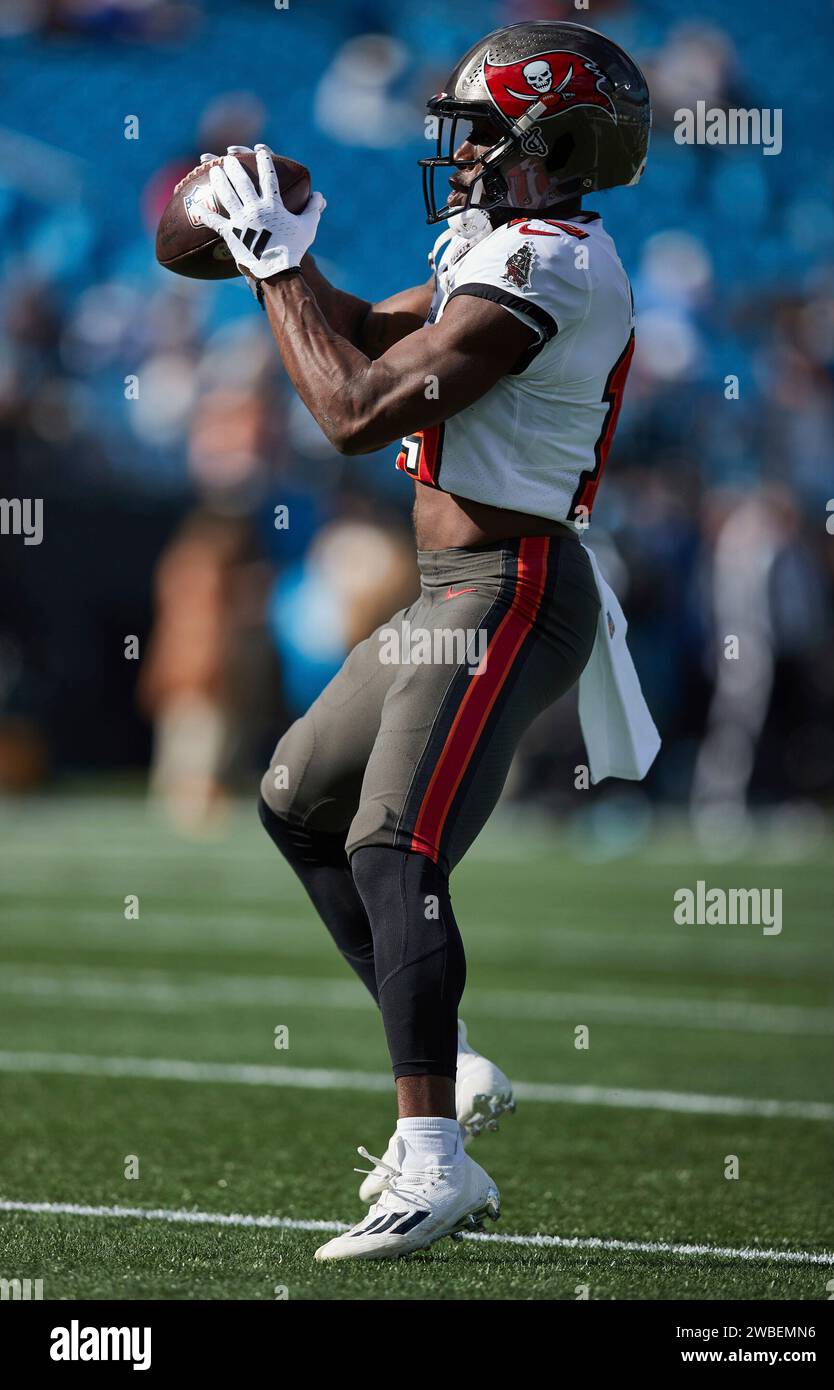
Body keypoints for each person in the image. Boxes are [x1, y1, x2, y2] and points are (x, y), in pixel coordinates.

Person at [195, 19, 651, 1261]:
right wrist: (262, 253)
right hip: (452, 585)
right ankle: (442, 1059)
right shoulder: (503, 248)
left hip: (506, 587)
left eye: (477, 131)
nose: (455, 153)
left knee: (395, 844)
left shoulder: (551, 268)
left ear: (542, 144)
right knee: (296, 799)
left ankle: (433, 1157)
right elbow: (351, 323)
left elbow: (352, 410)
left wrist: (276, 264)